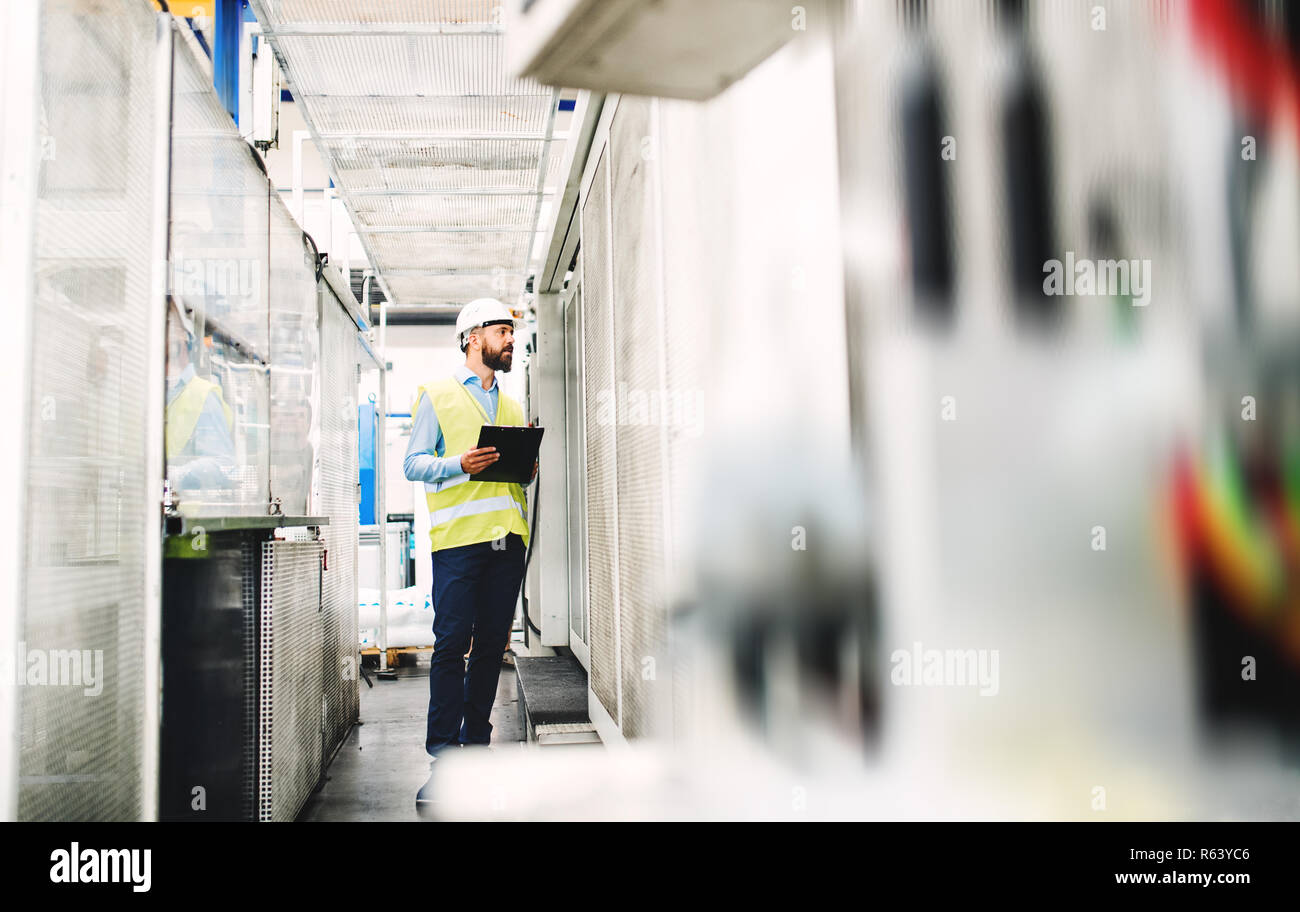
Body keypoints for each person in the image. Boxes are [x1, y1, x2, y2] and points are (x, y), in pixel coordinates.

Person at [403, 298, 536, 812]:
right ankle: (444, 761)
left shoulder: (513, 406)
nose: (510, 341)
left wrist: (525, 471)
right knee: (450, 646)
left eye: (511, 333)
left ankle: (476, 752)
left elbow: (510, 475)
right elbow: (414, 464)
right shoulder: (436, 396)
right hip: (459, 545)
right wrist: (459, 463)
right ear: (473, 337)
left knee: (489, 651)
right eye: (503, 331)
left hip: (507, 543)